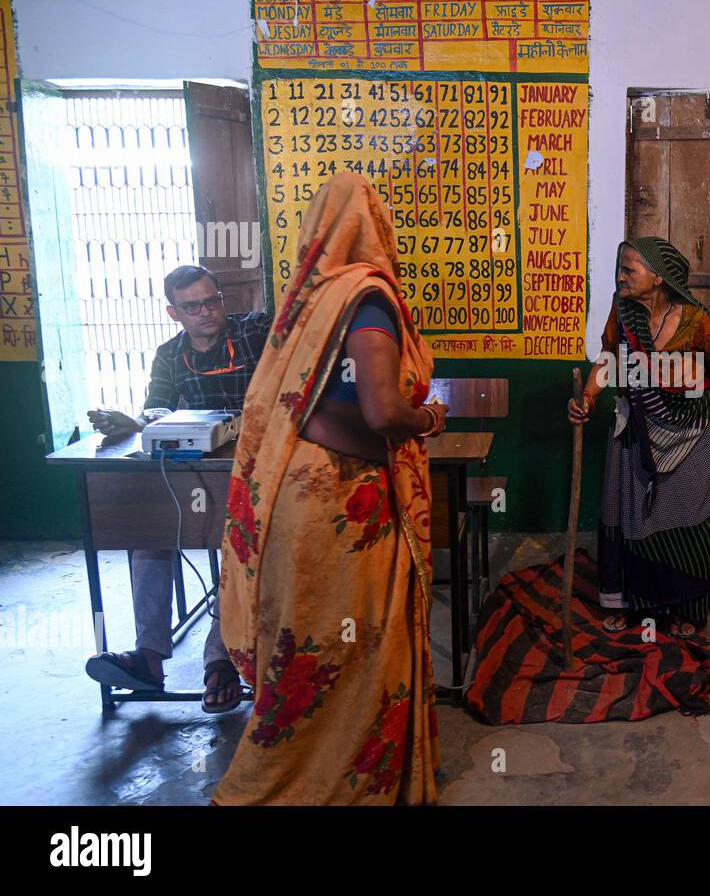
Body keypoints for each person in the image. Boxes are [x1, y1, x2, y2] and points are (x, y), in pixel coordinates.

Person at [212, 173, 446, 805]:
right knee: (357, 643)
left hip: (293, 491)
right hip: (343, 495)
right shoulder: (368, 300)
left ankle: (289, 767)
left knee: (308, 645)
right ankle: (336, 781)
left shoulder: (306, 304)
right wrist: (428, 419)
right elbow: (384, 412)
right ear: (374, 227)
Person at [570, 236, 710, 637]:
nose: (620, 276)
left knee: (685, 516)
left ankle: (684, 606)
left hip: (690, 433)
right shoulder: (623, 312)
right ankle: (631, 602)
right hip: (636, 429)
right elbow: (608, 357)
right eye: (619, 268)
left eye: (628, 269)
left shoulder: (695, 321)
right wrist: (588, 397)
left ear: (658, 277)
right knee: (629, 515)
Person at [84, 265, 270, 713]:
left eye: (212, 301)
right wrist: (136, 422)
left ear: (222, 299)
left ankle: (221, 658)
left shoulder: (252, 333)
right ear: (174, 313)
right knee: (149, 536)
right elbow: (158, 408)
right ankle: (148, 657)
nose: (206, 312)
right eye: (192, 307)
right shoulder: (170, 355)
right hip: (195, 473)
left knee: (236, 547)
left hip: (255, 470)